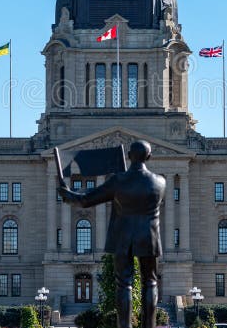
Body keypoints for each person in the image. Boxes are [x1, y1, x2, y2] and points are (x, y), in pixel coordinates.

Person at [56, 140, 166, 328]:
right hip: (150, 237)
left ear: (129, 156)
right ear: (149, 156)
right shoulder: (160, 181)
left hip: (124, 237)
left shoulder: (118, 181)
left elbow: (86, 200)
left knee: (124, 284)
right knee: (151, 283)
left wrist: (68, 195)